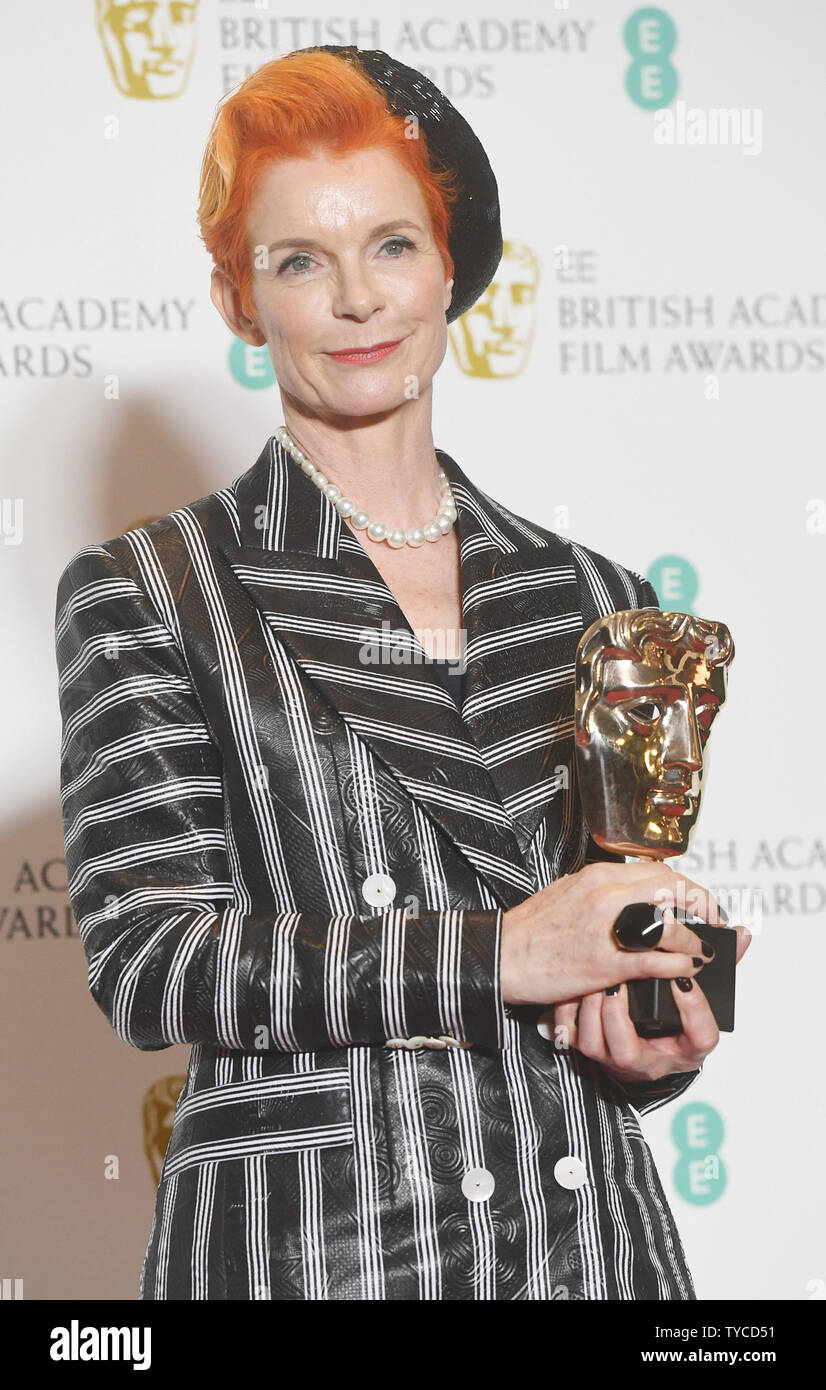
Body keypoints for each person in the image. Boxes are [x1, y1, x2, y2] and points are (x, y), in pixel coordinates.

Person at [55, 45, 750, 1301]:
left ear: (448, 264)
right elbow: (152, 959)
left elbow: (590, 942)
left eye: (391, 245)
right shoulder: (155, 589)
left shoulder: (603, 601)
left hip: (585, 1248)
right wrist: (496, 953)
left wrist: (654, 1031)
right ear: (238, 298)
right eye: (298, 262)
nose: (358, 301)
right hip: (315, 1248)